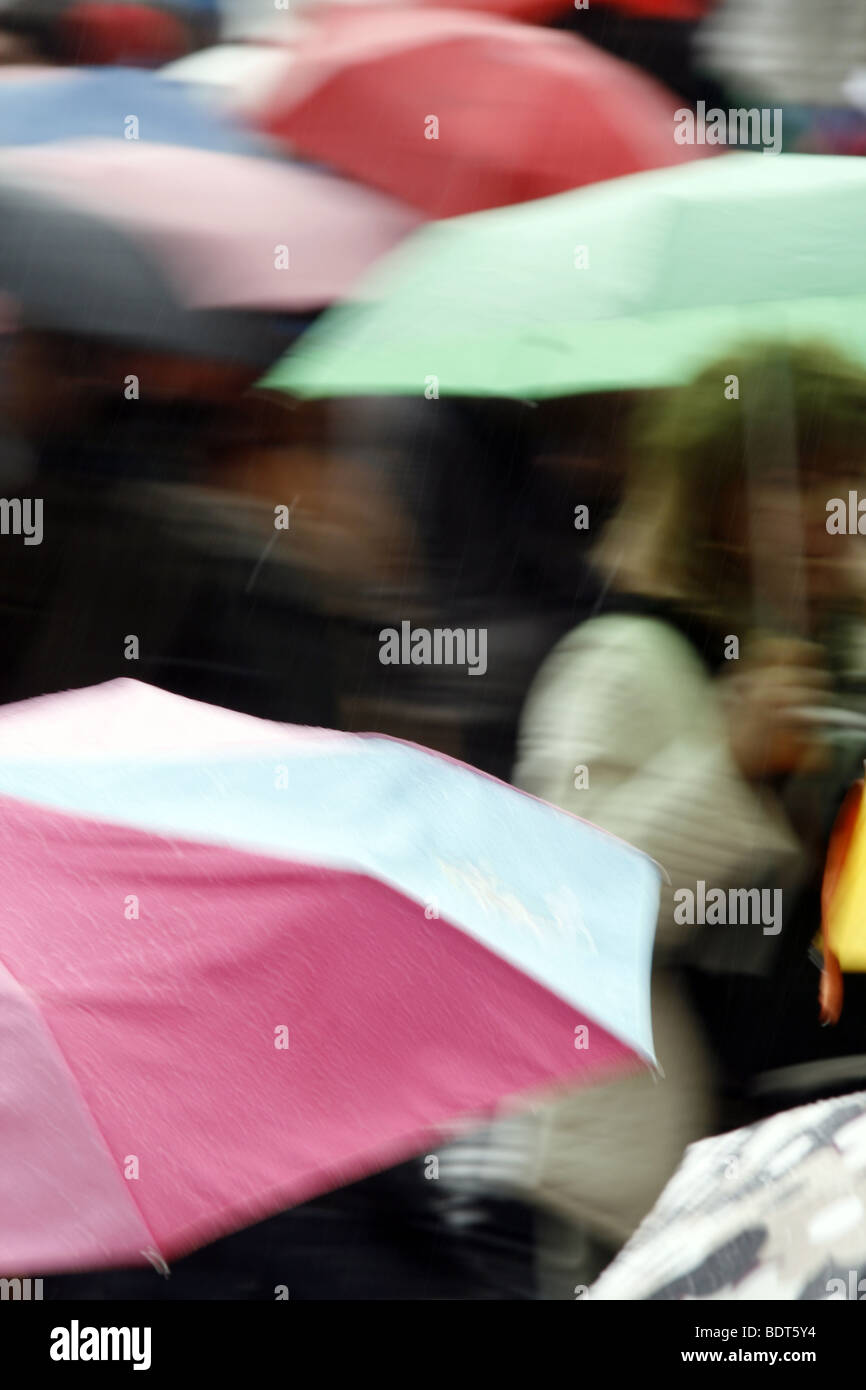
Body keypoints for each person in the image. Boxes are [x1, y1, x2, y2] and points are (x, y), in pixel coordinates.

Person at [510, 340, 866, 1290]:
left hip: (828, 1178)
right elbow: (559, 909)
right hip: (667, 1193)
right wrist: (730, 767)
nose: (835, 515)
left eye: (852, 481)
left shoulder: (843, 662)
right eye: (800, 481)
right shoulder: (626, 663)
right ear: (717, 499)